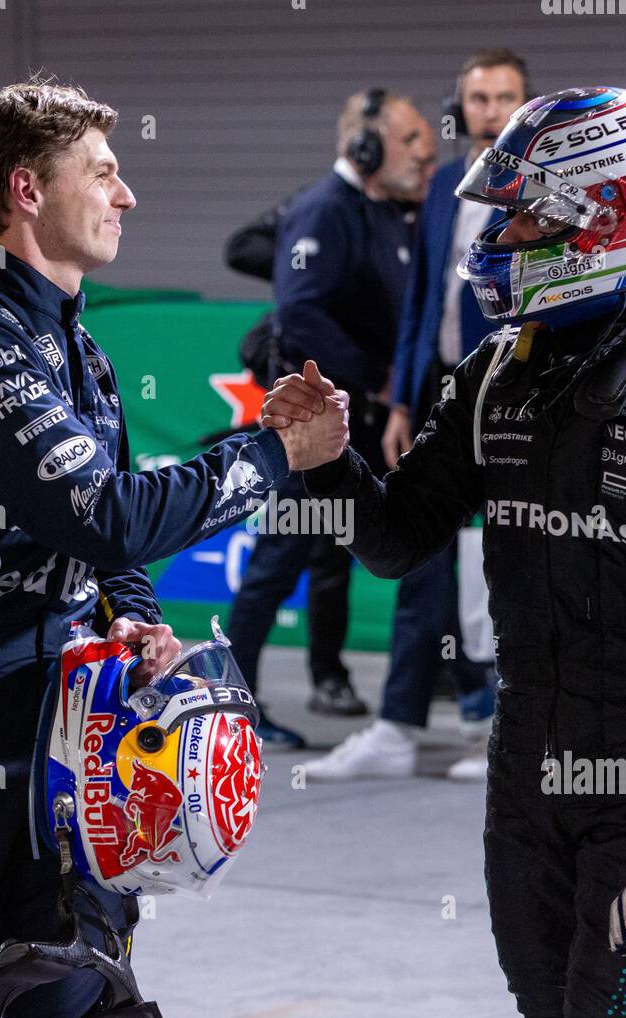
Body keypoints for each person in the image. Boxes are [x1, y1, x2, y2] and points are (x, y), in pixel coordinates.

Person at [264, 86, 626, 1018]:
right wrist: (325, 460)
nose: (505, 235)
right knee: (543, 1017)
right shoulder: (497, 372)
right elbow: (396, 541)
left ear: (617, 217)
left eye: (530, 215)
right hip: (523, 754)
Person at [0, 80, 346, 1018]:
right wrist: (274, 454)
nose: (127, 198)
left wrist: (137, 618)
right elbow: (109, 512)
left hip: (67, 711)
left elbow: (105, 550)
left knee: (80, 987)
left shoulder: (85, 352)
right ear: (27, 190)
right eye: (105, 174)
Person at [301, 51, 529, 782]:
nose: (491, 110)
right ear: (459, 107)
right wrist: (402, 399)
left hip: (524, 396)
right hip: (442, 395)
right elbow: (420, 309)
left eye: (506, 96)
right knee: (423, 560)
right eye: (479, 97)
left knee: (503, 568)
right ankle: (399, 723)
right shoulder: (443, 191)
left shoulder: (544, 192)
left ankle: (500, 728)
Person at [226, 88, 435, 743]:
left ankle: (325, 675)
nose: (420, 155)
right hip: (309, 426)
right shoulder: (324, 209)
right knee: (276, 563)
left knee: (332, 556)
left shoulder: (381, 212)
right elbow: (303, 313)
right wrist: (380, 378)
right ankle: (233, 706)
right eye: (407, 142)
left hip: (349, 426)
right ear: (365, 144)